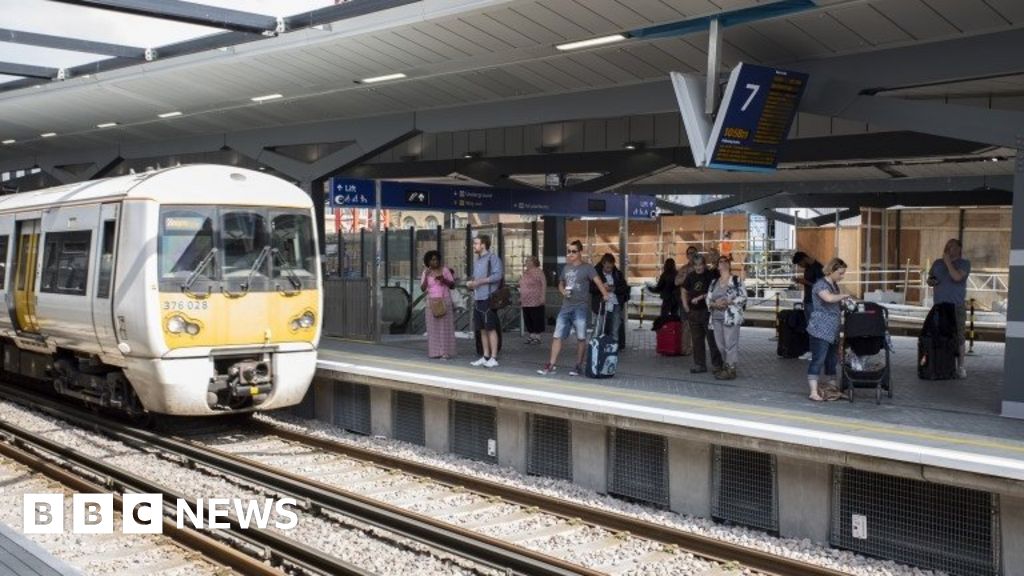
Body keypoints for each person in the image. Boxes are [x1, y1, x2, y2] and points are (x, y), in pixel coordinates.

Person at [538, 240, 611, 376]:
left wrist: (605, 294)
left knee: (581, 337)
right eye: (569, 251)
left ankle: (578, 365)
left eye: (573, 251)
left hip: (580, 307)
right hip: (566, 306)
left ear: (580, 252)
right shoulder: (566, 268)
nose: (570, 254)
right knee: (557, 336)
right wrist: (562, 291)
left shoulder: (587, 267)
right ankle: (551, 364)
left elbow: (598, 281)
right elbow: (560, 283)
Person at [806, 258, 854, 401]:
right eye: (840, 273)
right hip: (820, 329)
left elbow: (835, 302)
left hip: (832, 330)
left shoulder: (834, 285)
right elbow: (828, 299)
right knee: (818, 359)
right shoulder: (820, 284)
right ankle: (813, 392)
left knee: (832, 361)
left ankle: (832, 389)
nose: (842, 276)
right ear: (832, 271)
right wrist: (844, 296)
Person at [927, 239, 971, 378]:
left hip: (956, 306)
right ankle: (942, 365)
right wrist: (931, 281)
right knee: (939, 336)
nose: (949, 249)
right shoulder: (937, 263)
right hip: (939, 306)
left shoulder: (964, 263)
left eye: (952, 247)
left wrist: (948, 262)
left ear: (959, 249)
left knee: (958, 337)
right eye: (947, 247)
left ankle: (961, 367)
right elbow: (930, 279)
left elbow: (957, 277)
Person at [681, 254, 723, 374]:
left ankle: (717, 365)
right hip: (693, 312)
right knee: (697, 340)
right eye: (696, 265)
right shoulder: (690, 276)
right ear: (693, 266)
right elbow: (683, 289)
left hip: (708, 311)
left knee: (712, 339)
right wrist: (685, 305)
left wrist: (701, 297)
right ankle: (699, 365)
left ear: (704, 265)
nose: (698, 267)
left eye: (700, 264)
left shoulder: (710, 275)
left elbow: (714, 292)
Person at [466, 235, 503, 368]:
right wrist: (471, 283)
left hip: (488, 298)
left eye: (476, 243)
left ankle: (494, 357)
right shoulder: (478, 260)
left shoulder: (493, 258)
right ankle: (485, 355)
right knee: (481, 329)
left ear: (483, 245)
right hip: (477, 298)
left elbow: (498, 275)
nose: (474, 246)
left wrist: (479, 282)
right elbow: (476, 278)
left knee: (491, 328)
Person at [708, 255, 747, 380]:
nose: (723, 263)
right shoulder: (714, 282)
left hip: (730, 316)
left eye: (726, 261)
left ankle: (731, 368)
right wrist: (714, 304)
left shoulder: (736, 280)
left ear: (729, 265)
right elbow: (708, 299)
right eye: (721, 261)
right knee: (720, 344)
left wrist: (729, 302)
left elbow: (743, 297)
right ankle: (726, 366)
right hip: (716, 317)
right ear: (717, 265)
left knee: (730, 343)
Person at [420, 250, 456, 359]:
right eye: (431, 260)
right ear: (428, 261)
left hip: (444, 301)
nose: (434, 262)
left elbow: (452, 285)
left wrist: (443, 279)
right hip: (431, 303)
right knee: (433, 328)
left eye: (436, 259)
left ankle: (445, 352)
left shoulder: (445, 270)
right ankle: (435, 352)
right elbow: (422, 288)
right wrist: (426, 276)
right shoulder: (426, 272)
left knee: (445, 328)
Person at [590, 253, 630, 351]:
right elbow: (591, 288)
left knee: (615, 329)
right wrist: (602, 288)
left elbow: (625, 287)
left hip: (615, 304)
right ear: (603, 264)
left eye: (611, 268)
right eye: (607, 267)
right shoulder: (595, 273)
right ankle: (593, 349)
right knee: (598, 328)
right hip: (601, 305)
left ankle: (613, 351)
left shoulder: (617, 273)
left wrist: (614, 289)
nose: (609, 270)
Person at [519, 255, 547, 345]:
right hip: (525, 300)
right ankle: (531, 336)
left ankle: (537, 337)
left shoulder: (539, 271)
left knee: (536, 317)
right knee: (527, 317)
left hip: (536, 299)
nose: (526, 262)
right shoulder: (526, 272)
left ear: (533, 262)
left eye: (528, 260)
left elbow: (544, 284)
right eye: (526, 261)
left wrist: (543, 296)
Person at [647, 258, 680, 331]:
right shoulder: (677, 273)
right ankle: (674, 331)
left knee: (664, 316)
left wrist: (649, 288)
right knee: (675, 317)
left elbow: (658, 288)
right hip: (676, 299)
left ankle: (664, 331)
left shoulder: (665, 274)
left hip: (667, 299)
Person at [792, 251, 825, 318]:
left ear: (804, 259)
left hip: (815, 303)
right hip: (808, 301)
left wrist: (806, 282)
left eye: (799, 263)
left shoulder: (818, 268)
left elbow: (822, 287)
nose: (800, 266)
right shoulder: (807, 268)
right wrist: (800, 281)